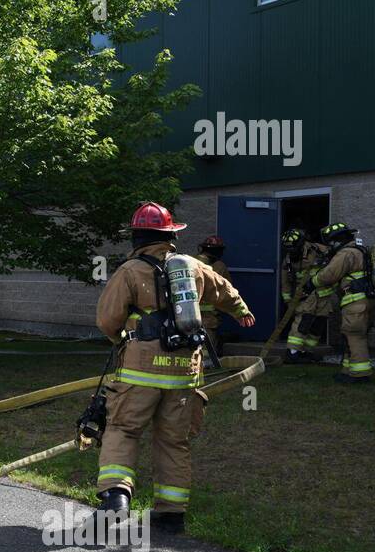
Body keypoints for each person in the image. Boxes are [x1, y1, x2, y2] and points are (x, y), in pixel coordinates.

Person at [95, 203, 254, 534]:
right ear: (171, 235)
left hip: (140, 371)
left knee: (123, 429)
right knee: (173, 441)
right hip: (184, 373)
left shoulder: (129, 271)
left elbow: (108, 321)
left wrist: (122, 340)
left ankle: (117, 498)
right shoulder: (194, 268)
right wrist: (240, 310)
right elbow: (224, 290)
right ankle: (171, 513)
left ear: (136, 237)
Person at [311, 222, 375, 383]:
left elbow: (329, 275)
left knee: (354, 336)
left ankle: (360, 375)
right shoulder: (363, 251)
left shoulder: (346, 253)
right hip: (368, 301)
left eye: (331, 242)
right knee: (351, 336)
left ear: (337, 240)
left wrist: (313, 281)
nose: (330, 246)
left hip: (356, 301)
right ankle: (347, 370)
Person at [281, 228, 332, 363]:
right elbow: (285, 280)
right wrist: (288, 301)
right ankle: (292, 352)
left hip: (324, 295)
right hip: (304, 296)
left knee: (318, 324)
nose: (292, 252)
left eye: (294, 247)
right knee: (302, 322)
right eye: (289, 249)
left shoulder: (319, 250)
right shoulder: (288, 259)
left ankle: (307, 352)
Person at [197, 235, 229, 356]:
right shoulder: (220, 266)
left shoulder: (192, 261)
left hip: (190, 309)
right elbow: (227, 288)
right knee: (208, 336)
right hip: (210, 313)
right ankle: (206, 361)